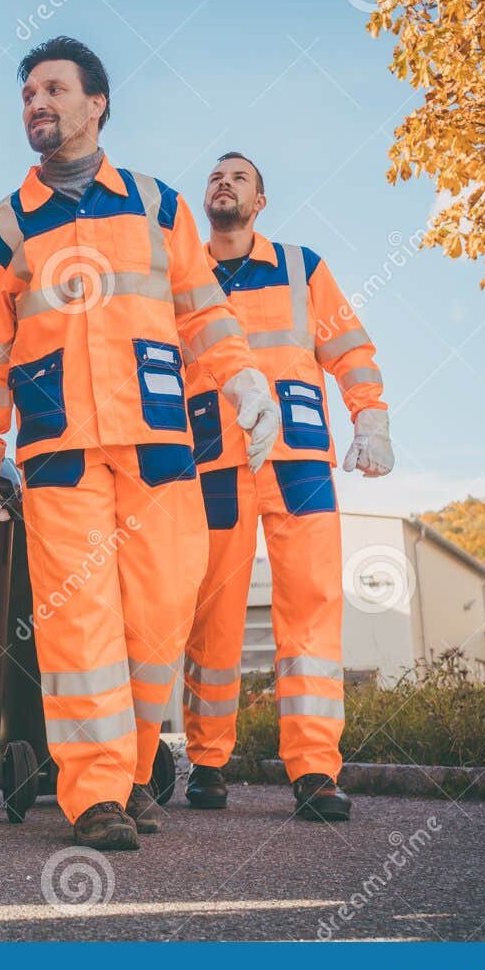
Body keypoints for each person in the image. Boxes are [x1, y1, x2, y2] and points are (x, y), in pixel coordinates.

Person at [0, 39, 280, 851]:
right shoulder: (3, 229)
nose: (36, 100)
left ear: (96, 104)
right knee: (81, 627)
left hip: (159, 446)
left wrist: (244, 380)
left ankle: (134, 772)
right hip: (61, 452)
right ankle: (95, 792)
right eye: (28, 90)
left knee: (159, 619)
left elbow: (205, 313)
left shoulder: (157, 204)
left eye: (54, 87)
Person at [180, 152, 393, 822]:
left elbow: (350, 350)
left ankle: (315, 772)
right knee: (211, 614)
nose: (225, 183)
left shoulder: (303, 268)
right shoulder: (181, 277)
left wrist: (372, 418)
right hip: (212, 457)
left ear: (261, 201)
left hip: (298, 458)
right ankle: (208, 760)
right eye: (216, 175)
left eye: (240, 176)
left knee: (311, 608)